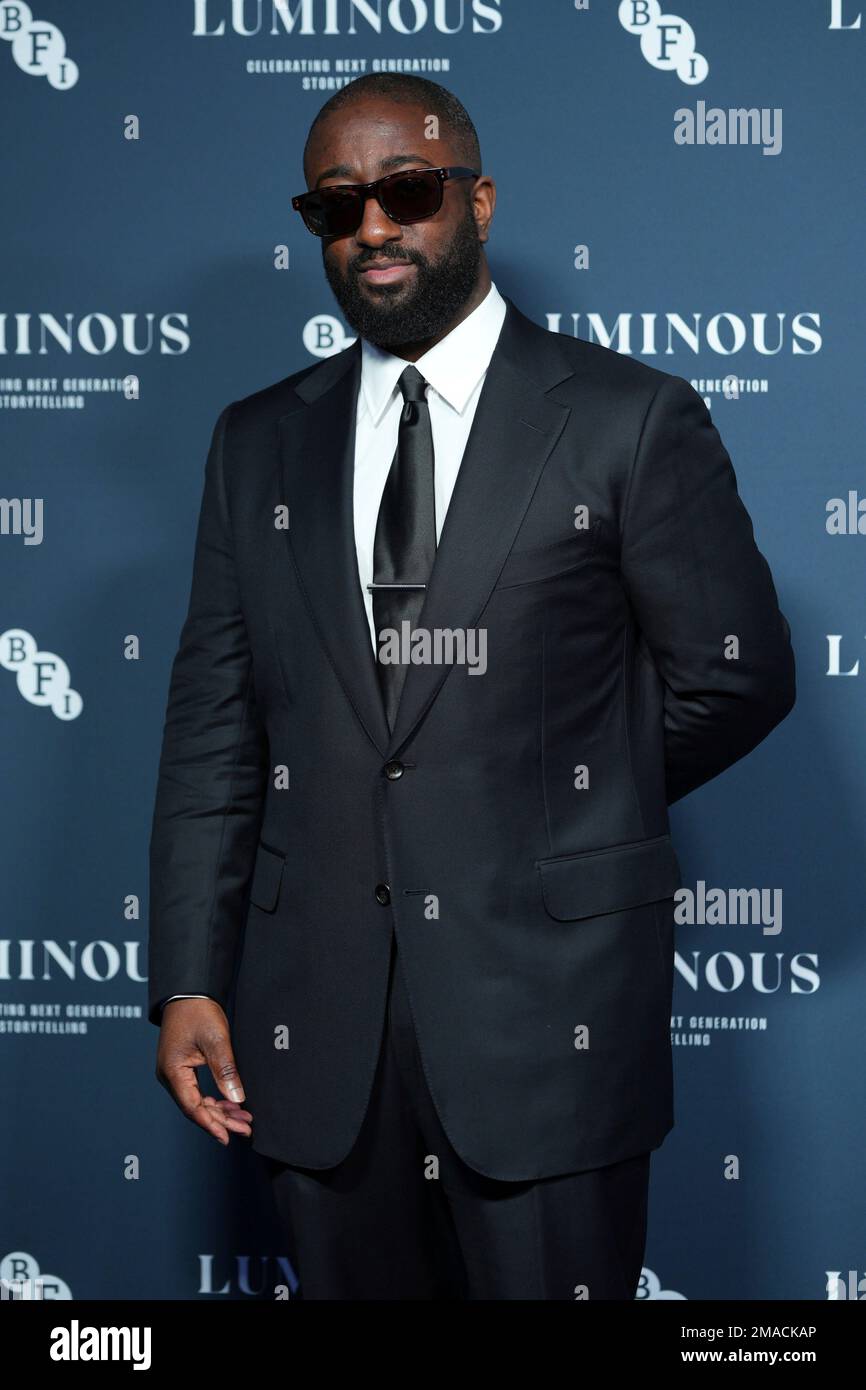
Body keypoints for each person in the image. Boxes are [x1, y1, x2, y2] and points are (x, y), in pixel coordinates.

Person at [148, 74, 796, 1300]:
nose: (372, 230)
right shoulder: (255, 443)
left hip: (548, 1021)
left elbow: (735, 677)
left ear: (477, 201)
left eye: (404, 192)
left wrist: (551, 796)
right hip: (314, 1032)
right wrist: (186, 974)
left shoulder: (623, 417)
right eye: (337, 208)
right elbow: (214, 730)